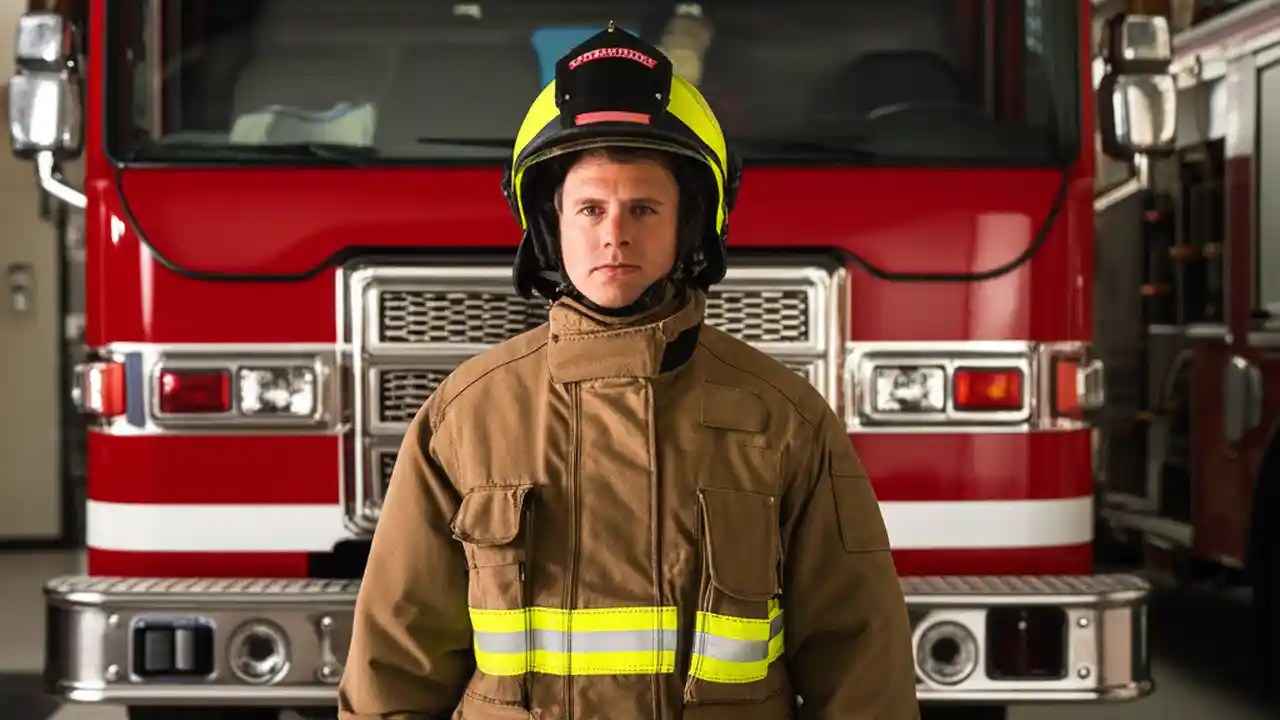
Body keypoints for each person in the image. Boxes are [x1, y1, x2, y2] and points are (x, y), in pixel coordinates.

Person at [338, 23, 919, 720]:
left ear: (690, 225)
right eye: (591, 209)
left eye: (645, 208)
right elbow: (395, 669)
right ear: (549, 225)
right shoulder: (466, 417)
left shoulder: (783, 420)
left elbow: (860, 660)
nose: (616, 233)